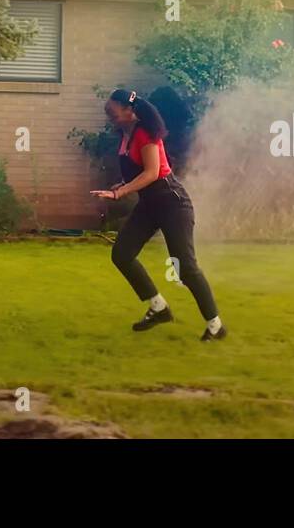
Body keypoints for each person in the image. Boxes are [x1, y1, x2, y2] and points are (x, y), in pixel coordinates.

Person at [93, 89, 226, 341]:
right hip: (150, 205)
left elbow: (153, 172)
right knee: (122, 254)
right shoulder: (126, 135)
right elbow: (137, 170)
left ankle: (216, 325)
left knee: (185, 268)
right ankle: (158, 307)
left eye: (112, 112)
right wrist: (121, 183)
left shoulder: (146, 134)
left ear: (129, 111)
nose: (109, 116)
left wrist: (121, 192)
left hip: (172, 204)